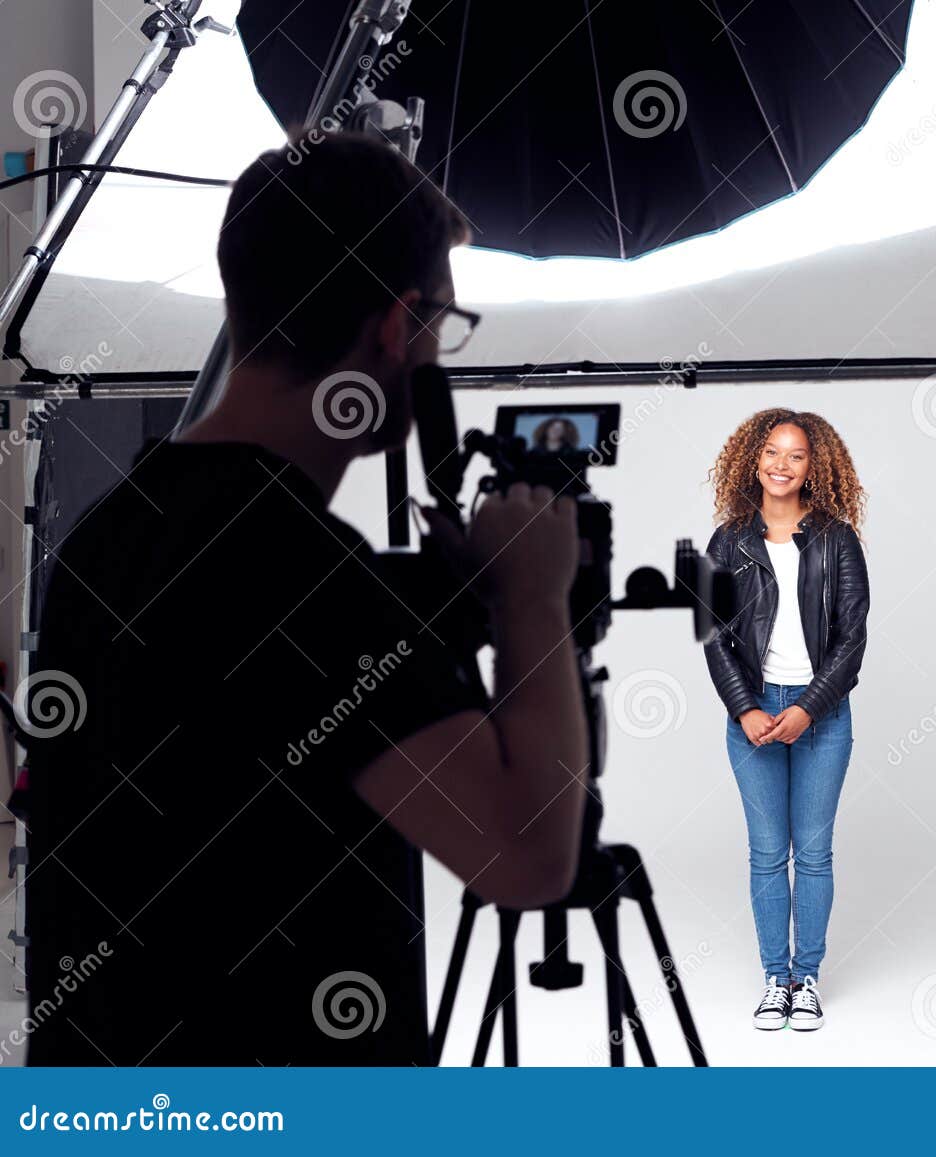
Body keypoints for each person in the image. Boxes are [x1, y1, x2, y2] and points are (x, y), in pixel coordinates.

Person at [22, 134, 588, 1065]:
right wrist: (534, 600)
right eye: (446, 320)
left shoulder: (112, 533)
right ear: (397, 327)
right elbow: (527, 858)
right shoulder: (301, 572)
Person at [703, 409, 869, 1032]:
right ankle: (777, 977)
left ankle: (809, 979)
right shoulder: (726, 541)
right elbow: (712, 635)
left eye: (796, 455)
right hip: (751, 711)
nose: (781, 463)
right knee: (768, 853)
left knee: (816, 852)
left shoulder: (837, 538)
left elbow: (852, 639)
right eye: (772, 451)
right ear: (753, 458)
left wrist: (806, 707)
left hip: (821, 712)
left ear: (813, 467)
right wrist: (746, 707)